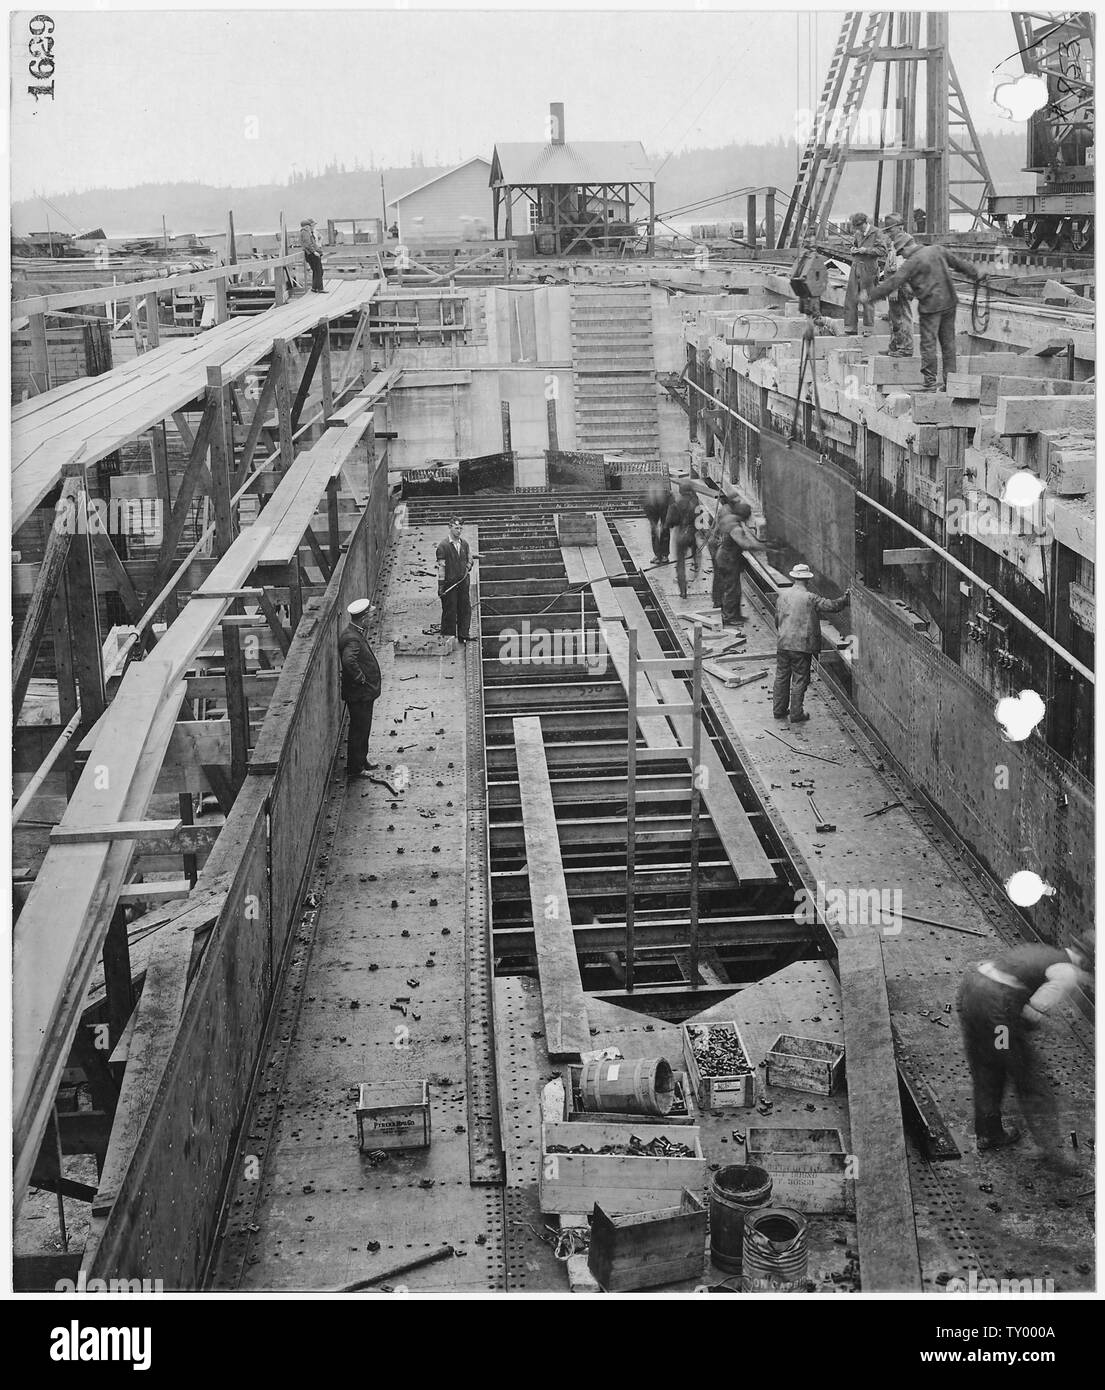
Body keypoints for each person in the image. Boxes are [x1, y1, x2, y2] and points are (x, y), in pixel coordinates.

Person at [956, 936, 1093, 1170]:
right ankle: (1053, 1153)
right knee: (1028, 1079)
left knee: (988, 1067)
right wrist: (1038, 1033)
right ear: (1090, 961)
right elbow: (1032, 1014)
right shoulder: (1067, 973)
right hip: (995, 1011)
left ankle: (989, 1133)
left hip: (971, 992)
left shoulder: (1046, 952)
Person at [863, 236, 983, 391]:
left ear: (907, 247)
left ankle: (930, 383)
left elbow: (893, 283)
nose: (902, 256)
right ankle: (950, 383)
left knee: (928, 345)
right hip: (949, 303)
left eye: (901, 252)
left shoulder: (912, 262)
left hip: (930, 308)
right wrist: (976, 274)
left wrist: (870, 296)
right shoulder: (937, 249)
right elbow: (959, 264)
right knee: (948, 345)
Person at [772, 564, 849, 723]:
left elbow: (777, 620)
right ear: (807, 579)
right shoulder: (810, 598)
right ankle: (796, 713)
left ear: (794, 577)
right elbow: (832, 606)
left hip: (783, 643)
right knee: (800, 678)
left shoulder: (782, 595)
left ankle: (779, 710)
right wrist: (846, 599)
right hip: (801, 646)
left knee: (781, 676)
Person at [338, 599, 381, 778]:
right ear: (363, 618)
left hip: (362, 694)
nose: (372, 618)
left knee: (364, 728)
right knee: (359, 729)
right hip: (359, 694)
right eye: (370, 615)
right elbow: (349, 661)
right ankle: (356, 768)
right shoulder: (352, 638)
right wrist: (361, 679)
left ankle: (362, 760)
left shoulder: (354, 632)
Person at [713, 501, 768, 627]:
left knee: (733, 587)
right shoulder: (736, 528)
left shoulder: (729, 518)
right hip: (728, 560)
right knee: (732, 589)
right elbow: (745, 544)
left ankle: (735, 615)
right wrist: (765, 547)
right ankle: (729, 618)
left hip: (724, 556)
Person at [842, 212, 889, 335]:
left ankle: (868, 328)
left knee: (867, 299)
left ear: (865, 223)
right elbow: (854, 246)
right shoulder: (858, 233)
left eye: (859, 227)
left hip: (869, 270)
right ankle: (850, 328)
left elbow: (883, 251)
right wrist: (853, 250)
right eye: (856, 227)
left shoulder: (876, 232)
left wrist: (866, 250)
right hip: (856, 267)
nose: (857, 230)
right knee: (850, 298)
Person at [879, 215, 915, 358]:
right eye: (887, 231)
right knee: (894, 317)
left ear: (900, 227)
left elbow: (900, 269)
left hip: (901, 286)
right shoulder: (896, 241)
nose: (888, 233)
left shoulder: (905, 242)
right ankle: (895, 346)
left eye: (890, 230)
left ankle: (906, 349)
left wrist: (894, 289)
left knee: (903, 316)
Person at [436, 517, 474, 649]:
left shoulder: (464, 544)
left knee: (465, 608)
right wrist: (441, 587)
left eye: (460, 528)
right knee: (449, 611)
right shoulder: (443, 546)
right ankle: (448, 637)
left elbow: (470, 558)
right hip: (449, 584)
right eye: (456, 528)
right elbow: (441, 568)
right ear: (450, 527)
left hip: (463, 583)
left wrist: (468, 566)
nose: (459, 531)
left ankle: (463, 635)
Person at [665, 480, 700, 601]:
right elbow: (700, 521)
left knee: (680, 564)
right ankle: (696, 567)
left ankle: (683, 591)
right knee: (696, 554)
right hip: (692, 533)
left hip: (681, 535)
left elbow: (669, 523)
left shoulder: (676, 504)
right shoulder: (695, 502)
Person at [642, 477, 674, 564]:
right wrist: (653, 523)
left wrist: (666, 522)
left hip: (664, 510)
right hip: (654, 511)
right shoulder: (649, 500)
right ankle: (657, 555)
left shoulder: (666, 496)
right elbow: (648, 510)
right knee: (654, 533)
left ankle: (664, 555)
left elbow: (672, 507)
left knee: (665, 531)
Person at [299, 217, 324, 294]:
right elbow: (308, 244)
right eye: (309, 225)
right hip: (311, 254)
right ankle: (319, 288)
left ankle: (315, 287)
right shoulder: (305, 232)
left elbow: (312, 243)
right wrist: (314, 252)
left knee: (317, 271)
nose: (310, 227)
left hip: (311, 253)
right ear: (306, 226)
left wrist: (319, 251)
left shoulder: (307, 232)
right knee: (318, 271)